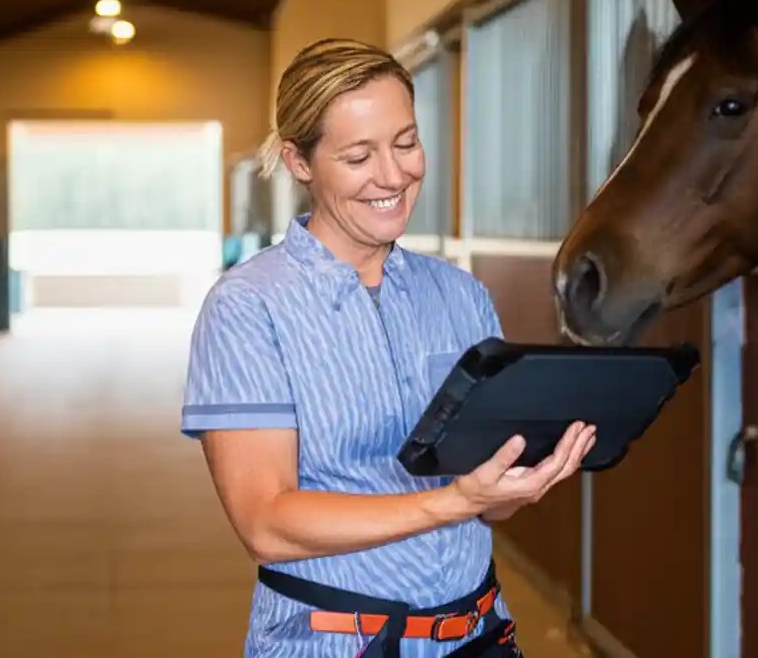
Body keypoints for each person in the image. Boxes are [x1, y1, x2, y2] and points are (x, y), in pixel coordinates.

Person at [180, 38, 596, 658]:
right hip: (331, 644)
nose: (394, 175)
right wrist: (451, 502)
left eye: (406, 142)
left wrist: (512, 485)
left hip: (478, 637)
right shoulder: (248, 306)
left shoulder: (461, 297)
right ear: (299, 162)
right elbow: (266, 523)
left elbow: (484, 503)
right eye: (358, 156)